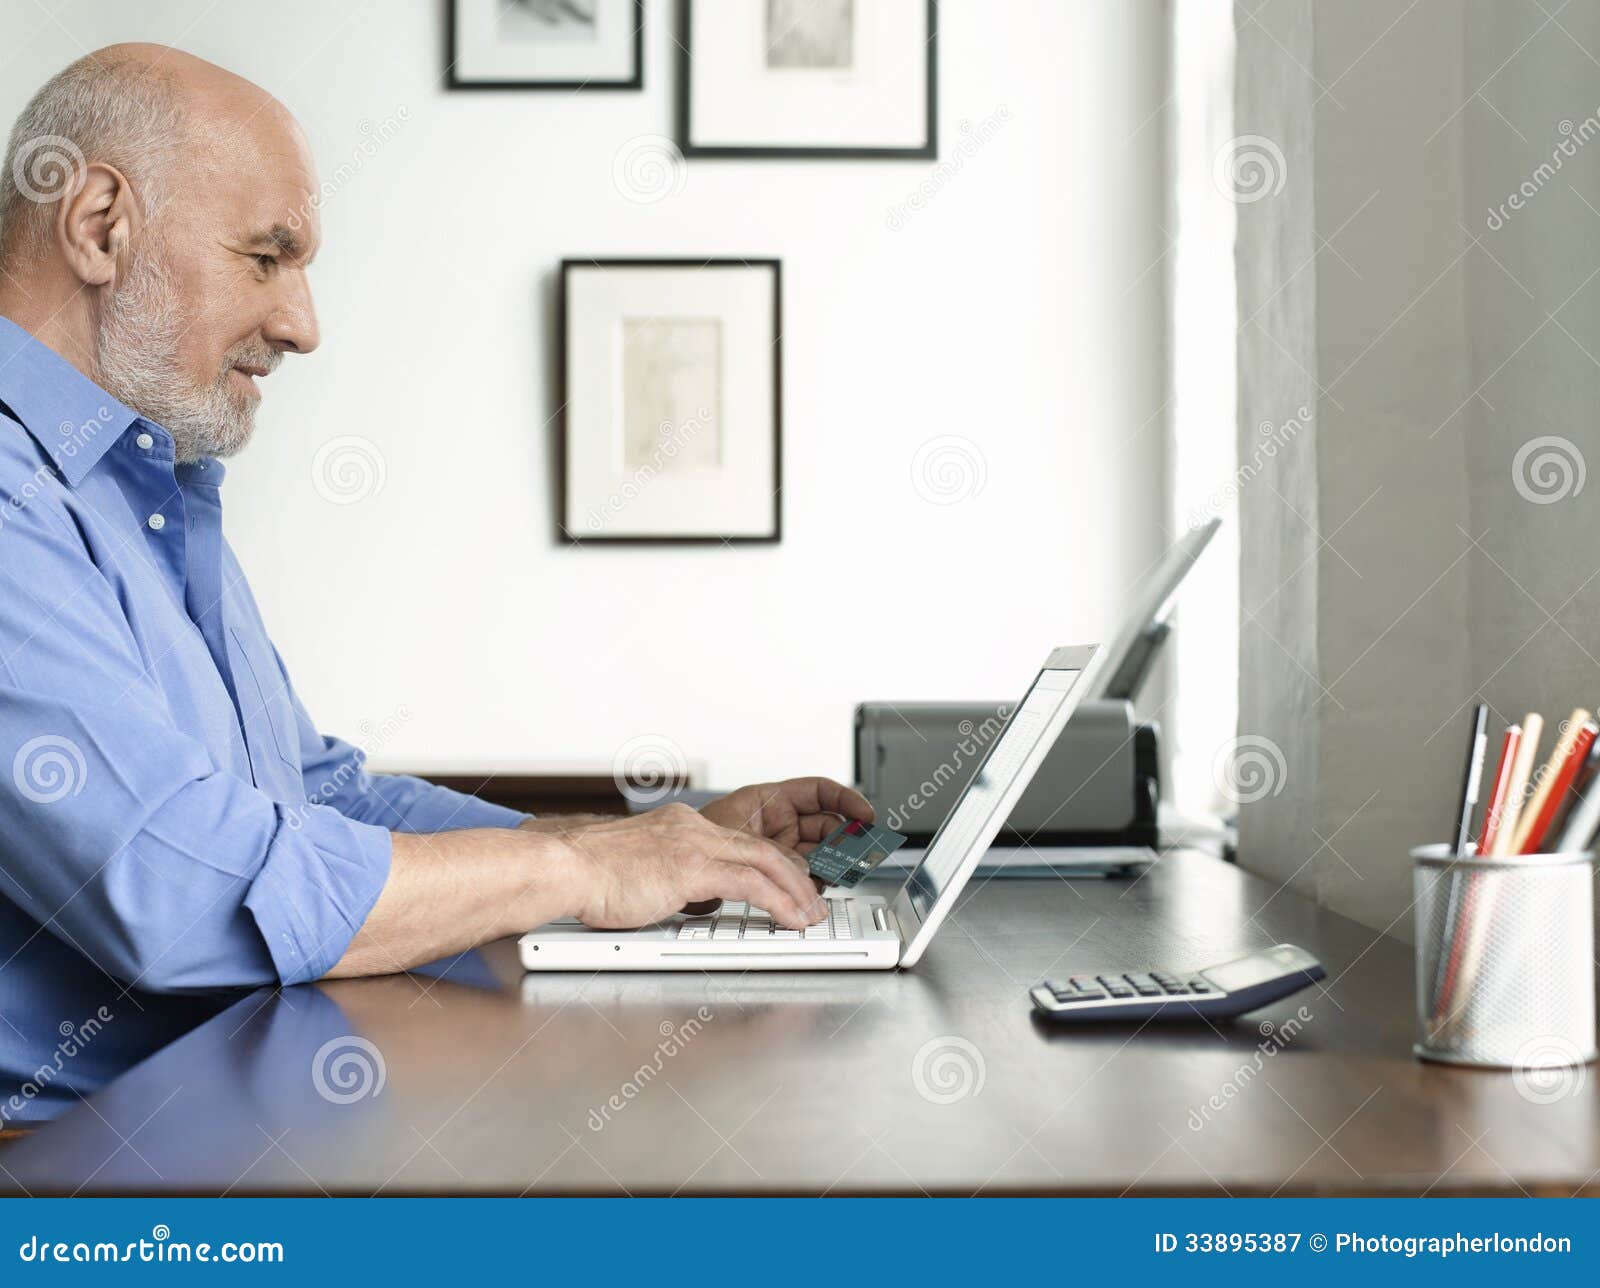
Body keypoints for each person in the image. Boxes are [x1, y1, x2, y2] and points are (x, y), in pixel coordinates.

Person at [0, 45, 869, 1123]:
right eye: (267, 258)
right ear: (96, 225)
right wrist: (576, 876)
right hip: (70, 1180)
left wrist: (657, 842)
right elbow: (181, 893)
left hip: (227, 1111)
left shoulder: (145, 489)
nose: (302, 325)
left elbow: (315, 797)